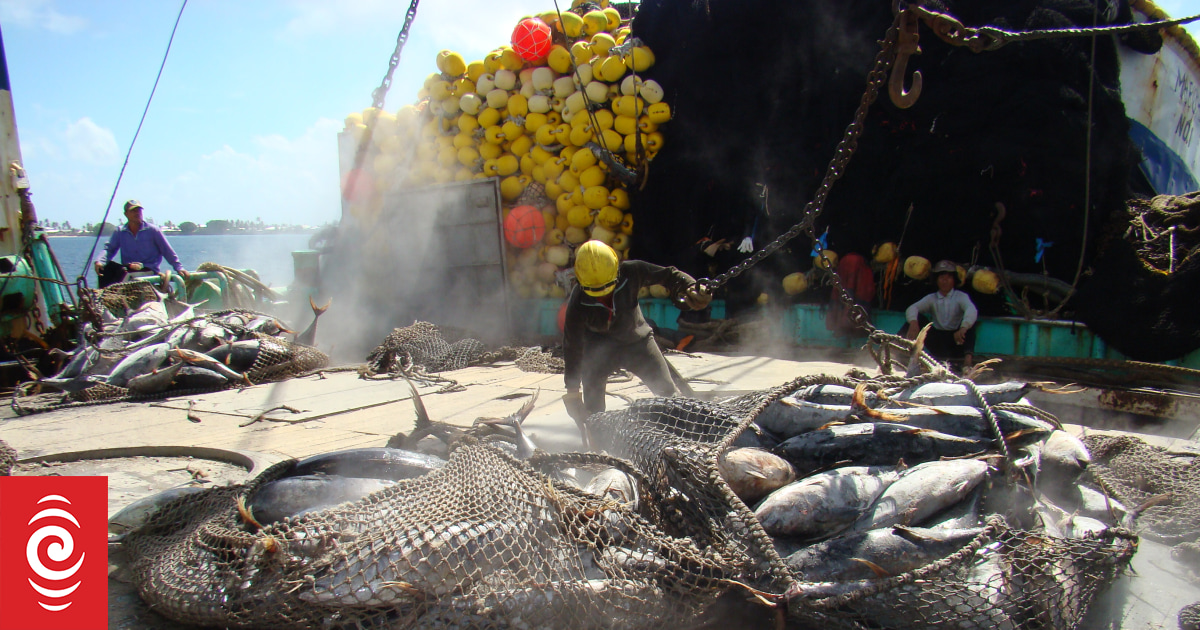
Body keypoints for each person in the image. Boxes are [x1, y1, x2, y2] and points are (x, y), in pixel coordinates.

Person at [562, 241, 711, 443]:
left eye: (608, 287)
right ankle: (599, 448)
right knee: (594, 413)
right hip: (597, 350)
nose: (604, 294)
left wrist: (691, 286)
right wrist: (572, 391)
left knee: (668, 394)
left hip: (637, 342)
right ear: (580, 282)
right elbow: (573, 345)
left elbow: (670, 275)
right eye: (595, 290)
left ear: (617, 270)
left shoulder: (632, 271)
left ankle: (685, 439)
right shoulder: (578, 301)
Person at [94, 200, 189, 287]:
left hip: (148, 270)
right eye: (133, 211)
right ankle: (105, 299)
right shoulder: (120, 231)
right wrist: (100, 261)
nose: (137, 213)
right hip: (128, 269)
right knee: (107, 268)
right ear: (126, 214)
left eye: (139, 210)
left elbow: (167, 251)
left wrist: (179, 268)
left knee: (123, 274)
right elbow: (109, 249)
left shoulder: (153, 230)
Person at [905, 260, 977, 368]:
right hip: (938, 341)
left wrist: (963, 328)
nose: (945, 281)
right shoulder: (932, 298)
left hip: (956, 340)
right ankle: (898, 353)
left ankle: (967, 362)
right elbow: (912, 308)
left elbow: (971, 310)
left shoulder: (960, 296)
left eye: (948, 277)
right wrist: (913, 322)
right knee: (916, 319)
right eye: (942, 278)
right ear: (937, 280)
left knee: (970, 325)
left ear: (954, 280)